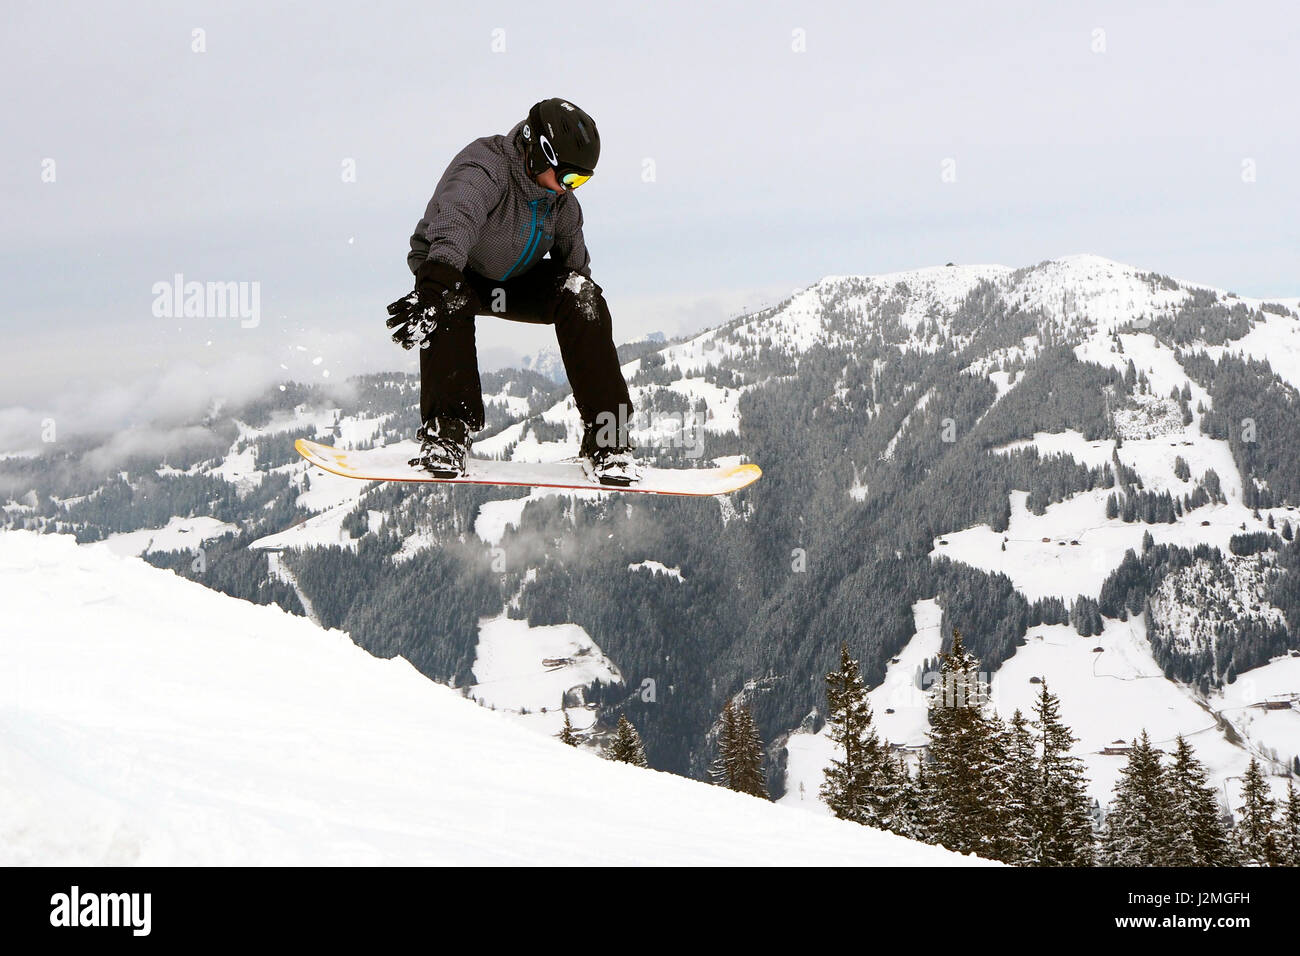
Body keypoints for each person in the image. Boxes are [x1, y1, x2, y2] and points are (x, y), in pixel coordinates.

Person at [386, 98, 639, 485]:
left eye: (580, 182)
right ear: (540, 153)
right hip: (454, 266)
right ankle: (447, 433)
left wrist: (586, 316)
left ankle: (609, 440)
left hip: (515, 277)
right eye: (568, 178)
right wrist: (434, 289)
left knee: (580, 293)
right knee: (447, 301)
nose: (569, 189)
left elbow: (577, 274)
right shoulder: (484, 168)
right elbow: (456, 222)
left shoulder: (562, 205)